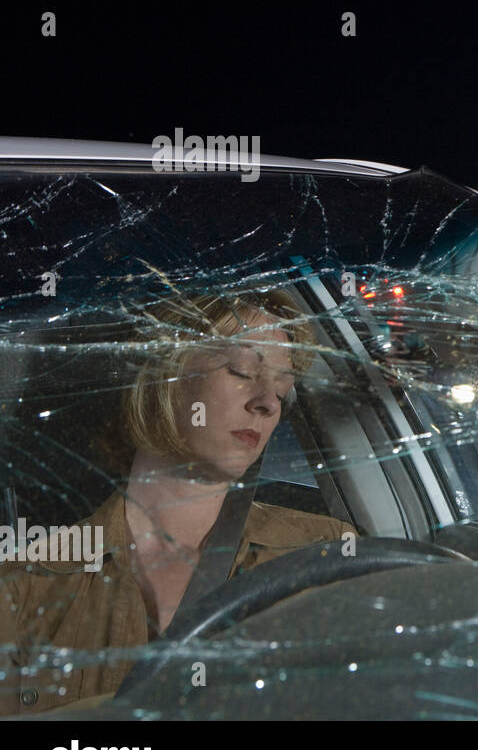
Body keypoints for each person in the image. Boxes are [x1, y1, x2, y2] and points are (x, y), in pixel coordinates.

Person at [0, 289, 353, 714]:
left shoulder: (322, 555)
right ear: (163, 372)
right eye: (242, 371)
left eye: (282, 391)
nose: (265, 403)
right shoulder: (25, 585)